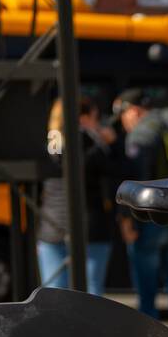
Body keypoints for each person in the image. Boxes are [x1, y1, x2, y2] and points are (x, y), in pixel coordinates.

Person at [113, 88, 168, 337]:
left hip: (149, 222)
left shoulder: (140, 135)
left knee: (147, 295)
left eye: (124, 114)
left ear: (135, 110)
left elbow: (132, 181)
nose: (123, 121)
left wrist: (125, 218)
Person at [36, 96, 116, 296]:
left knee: (54, 296)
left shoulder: (50, 141)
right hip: (89, 225)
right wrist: (106, 143)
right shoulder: (88, 141)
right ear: (84, 117)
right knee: (91, 295)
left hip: (51, 225)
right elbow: (109, 172)